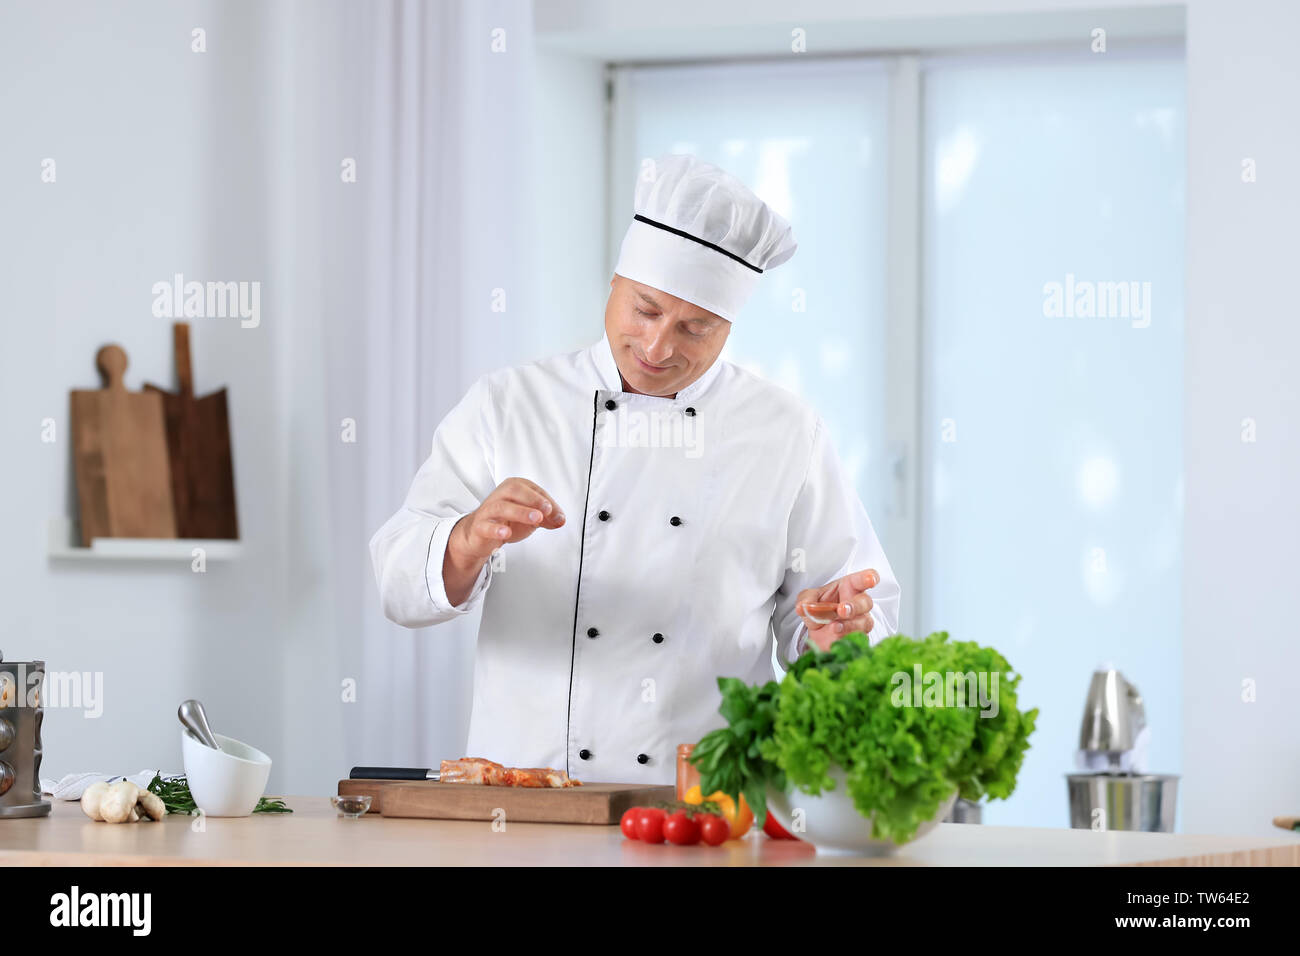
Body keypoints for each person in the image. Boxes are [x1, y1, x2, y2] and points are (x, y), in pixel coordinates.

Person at [370, 153, 900, 784]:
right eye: (645, 311)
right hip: (525, 794)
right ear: (614, 283)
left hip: (700, 804)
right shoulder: (510, 405)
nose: (657, 347)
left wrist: (834, 639)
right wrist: (464, 542)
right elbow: (399, 584)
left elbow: (839, 616)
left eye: (695, 328)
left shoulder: (785, 432)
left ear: (728, 327)